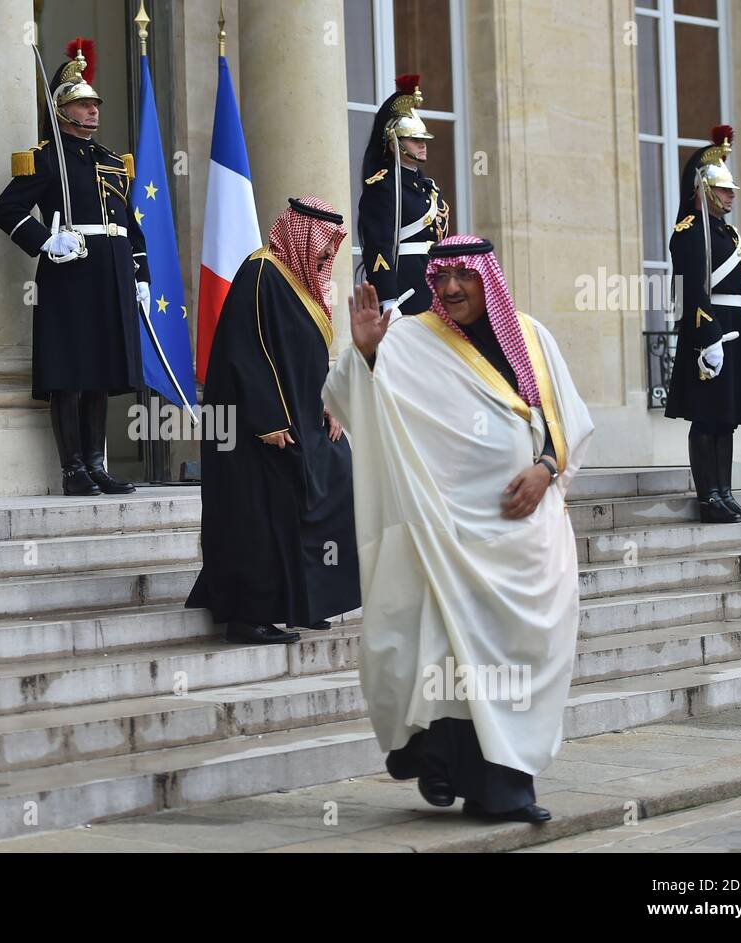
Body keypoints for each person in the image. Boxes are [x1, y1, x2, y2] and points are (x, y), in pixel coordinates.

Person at [323, 235, 595, 824]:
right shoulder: (411, 339)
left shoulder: (531, 338)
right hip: (445, 538)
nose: (449, 288)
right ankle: (467, 777)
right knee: (451, 653)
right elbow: (348, 401)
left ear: (487, 278)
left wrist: (546, 471)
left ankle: (487, 777)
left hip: (525, 537)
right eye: (440, 277)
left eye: (462, 277)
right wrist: (367, 353)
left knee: (520, 658)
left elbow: (568, 422)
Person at [185, 197, 360, 645]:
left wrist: (331, 401)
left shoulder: (301, 280)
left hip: (303, 415)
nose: (326, 256)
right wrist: (267, 418)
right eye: (322, 246)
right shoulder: (260, 273)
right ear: (301, 234)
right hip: (257, 426)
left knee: (338, 477)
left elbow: (307, 355)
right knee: (261, 515)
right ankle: (249, 615)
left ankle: (310, 598)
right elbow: (243, 352)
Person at [0, 38, 148, 497]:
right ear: (62, 109)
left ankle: (97, 463)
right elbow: (6, 210)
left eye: (95, 103)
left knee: (99, 370)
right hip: (71, 271)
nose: (93, 110)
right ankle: (72, 468)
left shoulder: (111, 162)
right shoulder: (45, 158)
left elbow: (129, 224)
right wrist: (45, 241)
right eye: (82, 104)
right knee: (71, 371)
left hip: (112, 274)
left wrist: (140, 274)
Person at [663, 126, 741, 524]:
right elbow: (690, 290)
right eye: (724, 190)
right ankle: (709, 498)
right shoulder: (690, 232)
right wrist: (708, 338)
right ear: (704, 189)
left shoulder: (731, 233)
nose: (731, 195)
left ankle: (725, 493)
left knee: (728, 418)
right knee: (707, 416)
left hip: (737, 330)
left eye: (731, 189)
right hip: (711, 332)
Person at [356, 74, 450, 317]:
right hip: (406, 289)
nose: (422, 144)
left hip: (435, 285)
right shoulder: (383, 186)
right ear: (393, 143)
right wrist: (388, 299)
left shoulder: (428, 188)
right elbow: (378, 246)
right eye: (414, 139)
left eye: (423, 139)